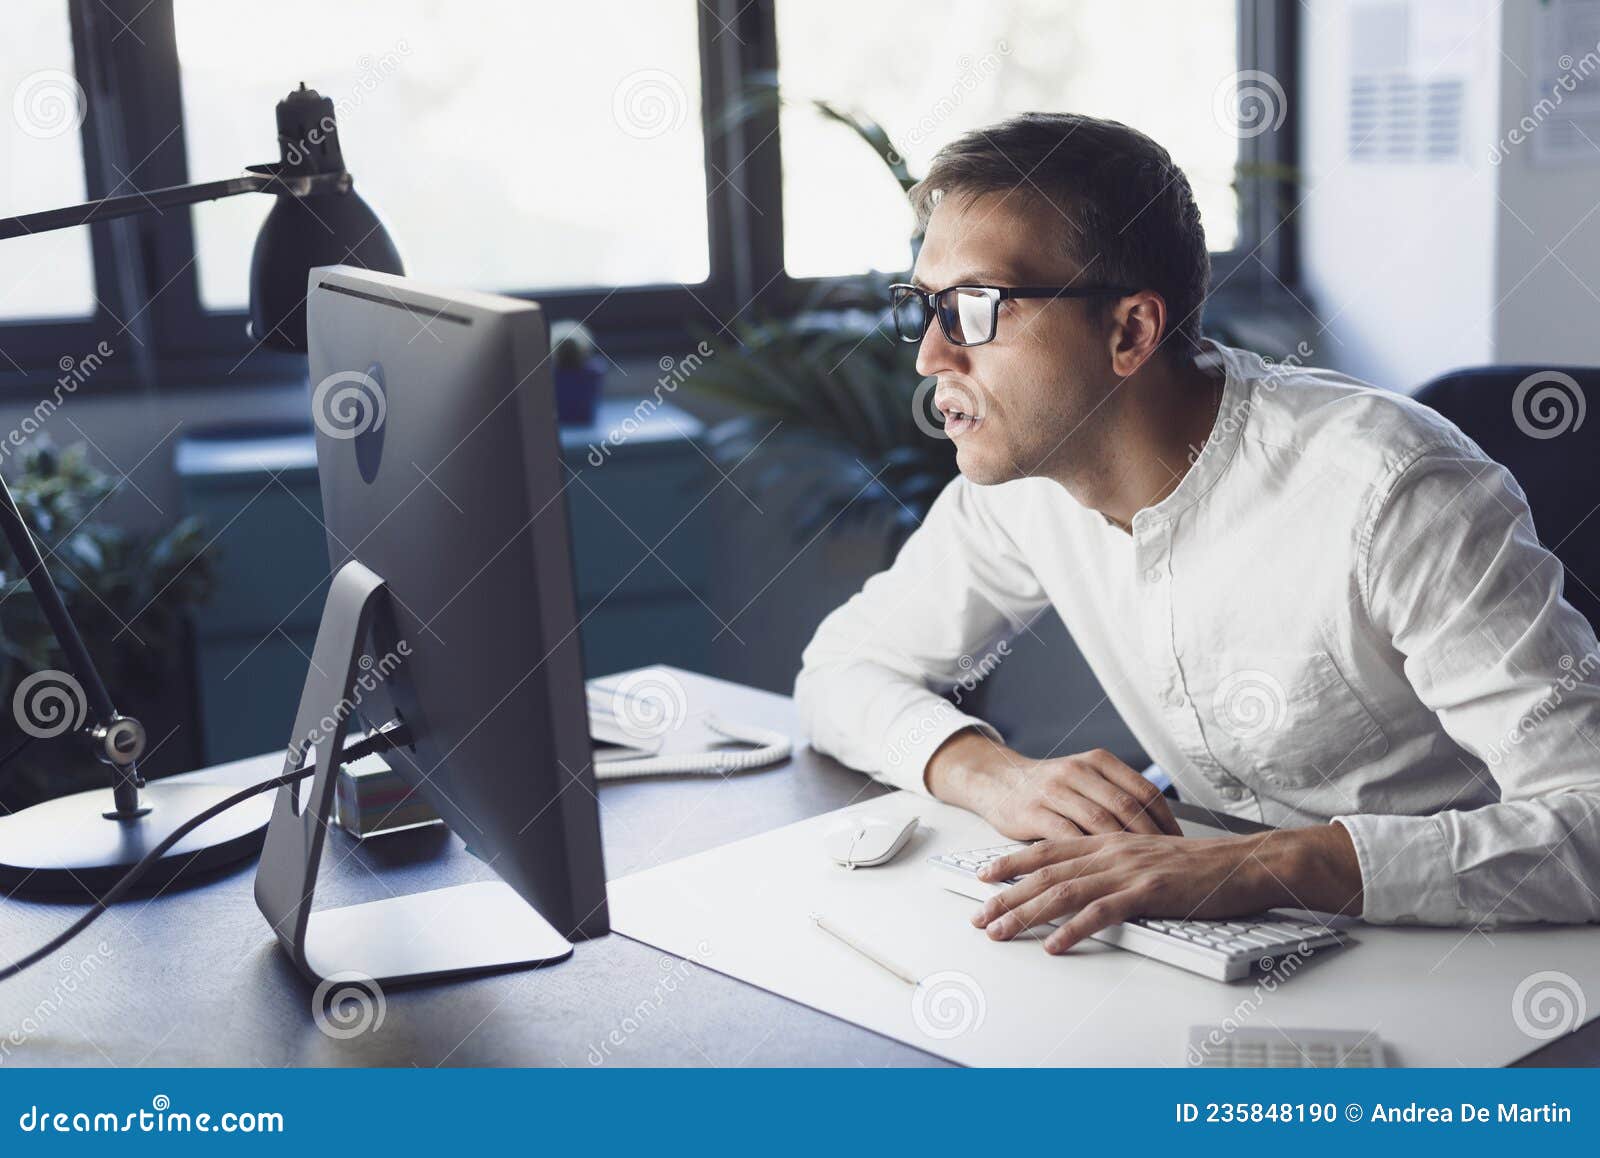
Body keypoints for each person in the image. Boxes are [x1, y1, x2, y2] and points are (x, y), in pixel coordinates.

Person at [795, 112, 1600, 955]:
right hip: (1221, 942)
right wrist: (990, 775)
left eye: (973, 307)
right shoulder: (1024, 482)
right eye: (924, 307)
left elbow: (1586, 823)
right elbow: (843, 670)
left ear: (1131, 332)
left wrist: (1259, 867)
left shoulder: (1389, 489)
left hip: (1484, 954)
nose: (929, 356)